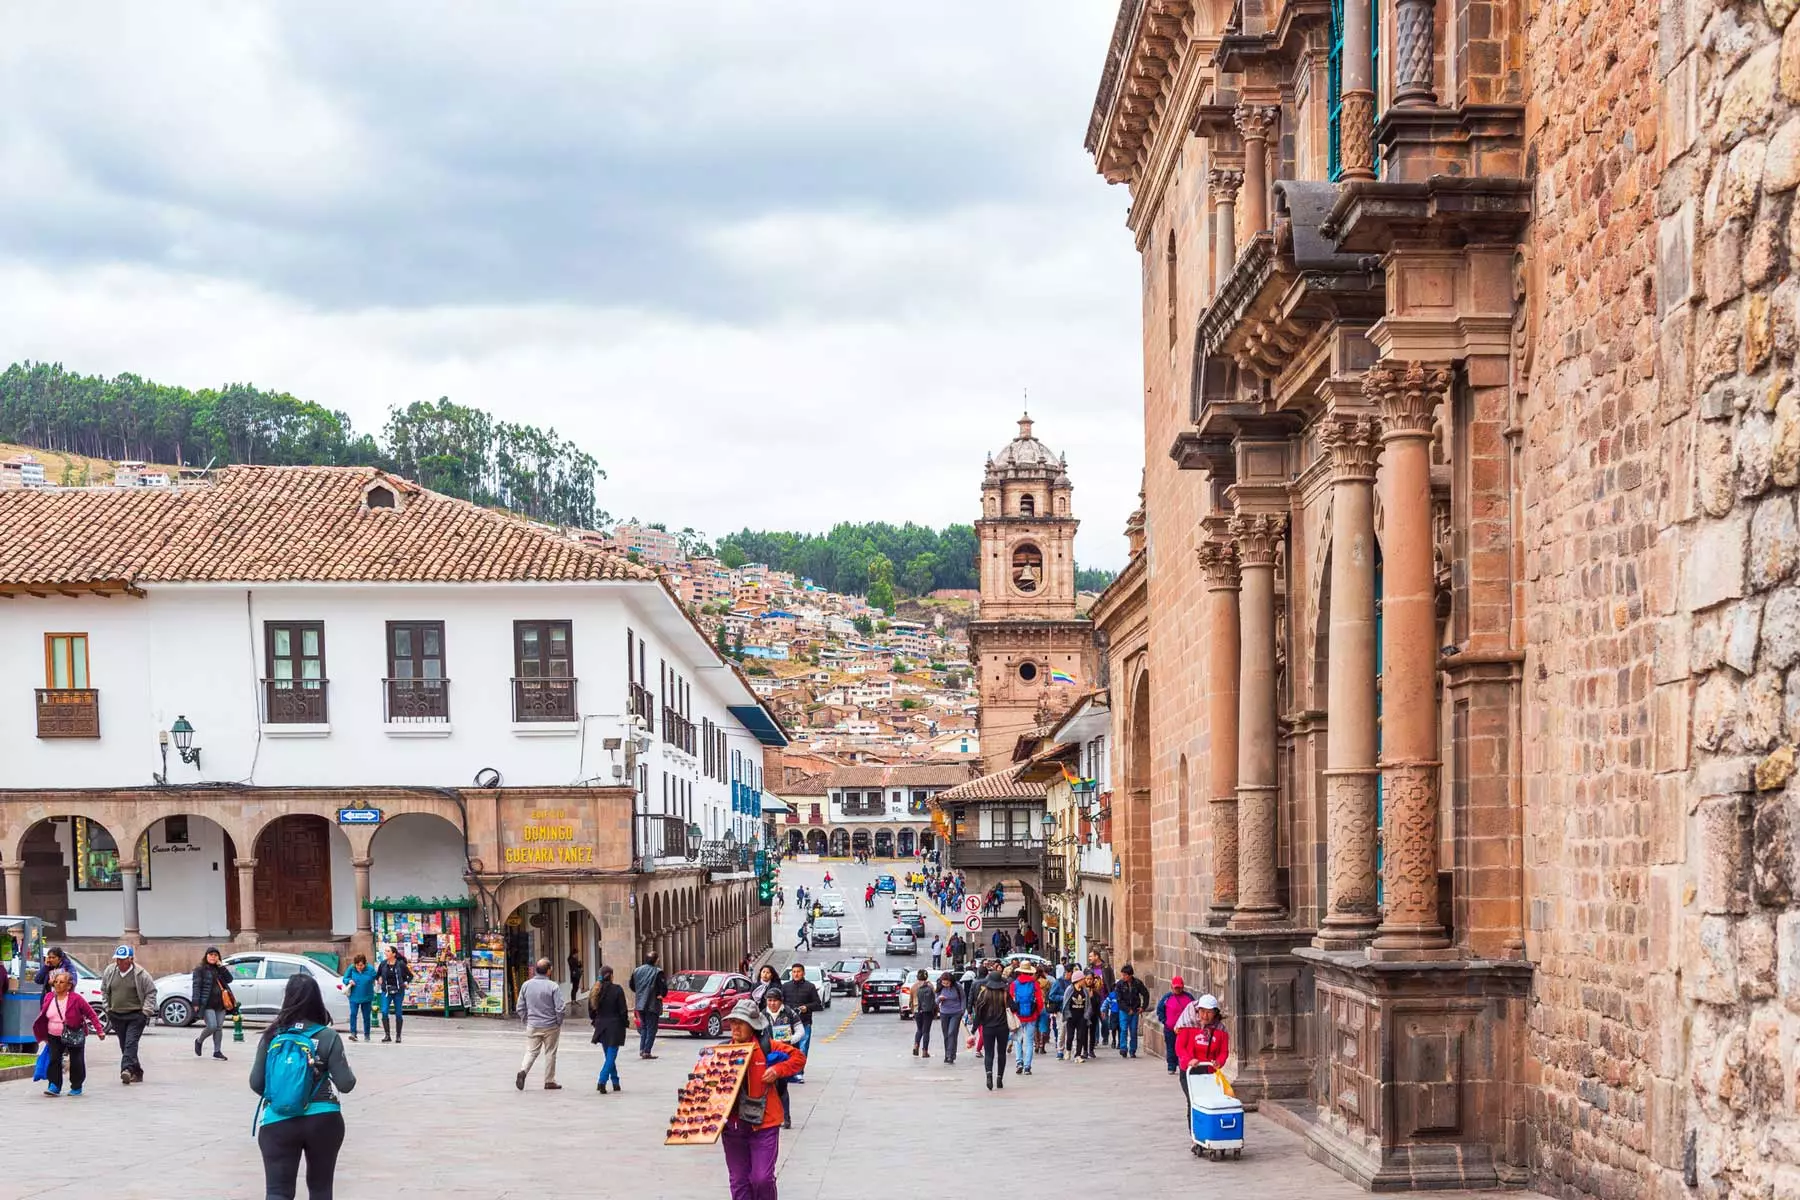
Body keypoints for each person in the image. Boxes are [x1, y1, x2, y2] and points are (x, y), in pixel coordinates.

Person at [251, 973, 357, 1200]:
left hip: (278, 1122)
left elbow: (256, 1082)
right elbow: (346, 1084)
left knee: (278, 1192)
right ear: (316, 1000)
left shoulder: (272, 1035)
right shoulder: (328, 1036)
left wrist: (285, 1095)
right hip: (323, 1120)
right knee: (320, 1189)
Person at [717, 998, 805, 1198]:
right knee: (738, 1180)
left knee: (761, 1178)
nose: (735, 1027)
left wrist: (777, 1069)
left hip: (764, 1124)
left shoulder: (768, 1047)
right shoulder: (721, 1052)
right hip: (733, 1127)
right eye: (733, 1022)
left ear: (753, 1027)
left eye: (741, 1022)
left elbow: (799, 1058)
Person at [34, 968, 104, 1096]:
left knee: (76, 1061)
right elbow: (44, 1015)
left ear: (69, 985)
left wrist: (99, 1031)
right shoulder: (49, 997)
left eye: (61, 982)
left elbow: (92, 1014)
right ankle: (54, 1086)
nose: (57, 984)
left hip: (74, 1033)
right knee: (54, 1059)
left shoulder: (76, 999)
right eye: (56, 982)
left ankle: (76, 1086)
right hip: (53, 1035)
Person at [101, 945, 157, 1085]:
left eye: (123, 960)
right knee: (124, 1045)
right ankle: (137, 1071)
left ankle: (126, 1070)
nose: (119, 963)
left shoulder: (141, 974)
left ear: (131, 959)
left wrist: (146, 1011)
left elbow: (151, 992)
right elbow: (104, 990)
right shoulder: (110, 971)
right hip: (116, 1014)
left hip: (136, 1015)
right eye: (117, 959)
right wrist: (107, 1007)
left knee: (131, 1043)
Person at [514, 958, 564, 1091]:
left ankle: (523, 1071)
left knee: (531, 1051)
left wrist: (526, 1019)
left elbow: (520, 1006)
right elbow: (560, 1008)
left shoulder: (526, 985)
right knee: (550, 1053)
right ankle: (549, 1080)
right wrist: (558, 1021)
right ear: (548, 971)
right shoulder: (553, 986)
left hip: (533, 1024)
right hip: (550, 1025)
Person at [1175, 993, 1230, 1097]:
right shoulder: (1188, 1025)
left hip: (1209, 1072)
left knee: (1207, 1100)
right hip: (1189, 1069)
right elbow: (1180, 1047)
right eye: (1202, 1011)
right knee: (1193, 1100)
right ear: (1197, 1010)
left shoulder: (1221, 1030)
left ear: (1215, 1013)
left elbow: (1224, 1051)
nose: (1205, 1016)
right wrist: (1189, 1060)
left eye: (1209, 1012)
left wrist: (1219, 1062)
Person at [761, 987, 802, 1129]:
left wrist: (790, 1040)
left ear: (781, 1001)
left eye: (775, 1000)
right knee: (770, 1088)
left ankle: (786, 1117)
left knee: (782, 1087)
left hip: (784, 1055)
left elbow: (800, 1031)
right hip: (768, 1055)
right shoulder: (762, 1015)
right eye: (769, 1000)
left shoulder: (789, 1013)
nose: (772, 1003)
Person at [588, 965, 629, 1094]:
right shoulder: (617, 990)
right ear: (611, 975)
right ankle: (602, 1080)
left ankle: (616, 1082)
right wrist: (625, 1022)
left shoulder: (595, 990)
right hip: (615, 1026)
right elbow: (623, 1010)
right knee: (611, 1056)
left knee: (609, 1056)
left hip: (601, 1026)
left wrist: (596, 1020)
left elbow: (591, 1011)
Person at [969, 970, 1012, 1091]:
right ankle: (999, 1078)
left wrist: (974, 1028)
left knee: (989, 1053)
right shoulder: (1004, 994)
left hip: (987, 1028)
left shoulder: (984, 994)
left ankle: (989, 1075)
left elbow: (978, 1013)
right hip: (1003, 1027)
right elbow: (1014, 1007)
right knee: (1001, 1053)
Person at [780, 962, 823, 1083]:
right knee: (788, 1048)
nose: (796, 974)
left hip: (805, 1022)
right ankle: (789, 1072)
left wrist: (806, 1007)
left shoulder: (810, 987)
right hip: (788, 1024)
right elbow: (781, 1004)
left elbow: (818, 1004)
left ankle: (799, 1073)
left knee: (803, 1049)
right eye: (794, 972)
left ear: (803, 973)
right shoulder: (786, 987)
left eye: (798, 972)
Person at [192, 946, 236, 1059]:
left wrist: (221, 967)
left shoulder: (219, 968)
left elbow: (230, 980)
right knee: (212, 1026)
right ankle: (199, 1041)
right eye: (210, 955)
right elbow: (196, 986)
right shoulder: (200, 969)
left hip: (221, 1003)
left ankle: (217, 1051)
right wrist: (195, 1002)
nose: (213, 957)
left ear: (218, 957)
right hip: (207, 1003)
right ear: (206, 956)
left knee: (219, 1028)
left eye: (215, 955)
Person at [629, 951, 668, 1060]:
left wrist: (640, 992)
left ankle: (642, 1049)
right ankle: (646, 1051)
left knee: (644, 1027)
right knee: (651, 1028)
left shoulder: (637, 971)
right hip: (652, 1003)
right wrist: (661, 994)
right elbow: (663, 987)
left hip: (640, 1003)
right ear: (656, 960)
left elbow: (632, 985)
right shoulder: (658, 972)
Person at [1155, 974, 1195, 1075]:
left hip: (1185, 1029)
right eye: (1176, 988)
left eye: (1179, 988)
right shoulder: (1167, 997)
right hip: (1170, 1028)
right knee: (1171, 1047)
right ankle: (1171, 1066)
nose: (1177, 990)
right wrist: (1165, 1021)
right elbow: (1160, 1010)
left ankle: (1183, 1065)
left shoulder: (1188, 997)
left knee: (1185, 1047)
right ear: (1172, 987)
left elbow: (1194, 1009)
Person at [1008, 964, 1044, 1076]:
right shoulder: (1035, 984)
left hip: (1018, 1016)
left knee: (1018, 1040)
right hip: (1031, 1016)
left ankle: (1019, 1062)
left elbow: (1010, 1000)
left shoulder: (1014, 984)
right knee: (1029, 1042)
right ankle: (1027, 1066)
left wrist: (1014, 1014)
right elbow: (1040, 1002)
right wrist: (1036, 1012)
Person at [1113, 964, 1151, 1059]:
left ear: (1130, 975)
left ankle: (1133, 1050)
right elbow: (1119, 999)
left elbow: (1145, 994)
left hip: (1135, 1010)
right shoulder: (1120, 985)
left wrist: (1143, 1007)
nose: (1123, 977)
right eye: (1123, 975)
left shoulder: (1137, 983)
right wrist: (1126, 1009)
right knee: (1124, 1029)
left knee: (1133, 1031)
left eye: (1125, 975)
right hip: (1124, 1010)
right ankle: (1123, 1048)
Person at [376, 945, 412, 1043]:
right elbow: (378, 974)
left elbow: (410, 975)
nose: (386, 953)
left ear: (394, 954)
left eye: (388, 951)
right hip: (386, 991)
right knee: (384, 1011)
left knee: (398, 1013)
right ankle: (387, 1035)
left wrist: (406, 982)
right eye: (385, 951)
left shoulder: (400, 964)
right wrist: (379, 978)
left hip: (398, 991)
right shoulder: (383, 964)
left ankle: (398, 1035)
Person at [339, 954, 377, 1044]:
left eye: (361, 965)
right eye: (357, 965)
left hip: (367, 996)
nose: (359, 967)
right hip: (354, 996)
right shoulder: (351, 968)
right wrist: (349, 981)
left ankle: (367, 1034)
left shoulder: (370, 969)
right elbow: (345, 978)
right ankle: (353, 1033)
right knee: (353, 1014)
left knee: (366, 1016)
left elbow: (376, 977)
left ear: (365, 964)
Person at [1062, 968, 1093, 1062]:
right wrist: (1067, 1015)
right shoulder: (1069, 990)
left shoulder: (1085, 991)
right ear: (1078, 980)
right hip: (1072, 1016)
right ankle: (1068, 1050)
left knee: (1081, 1036)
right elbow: (1065, 1003)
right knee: (1070, 1035)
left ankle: (1077, 1055)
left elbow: (1088, 1005)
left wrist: (1086, 1016)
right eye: (1083, 979)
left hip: (1081, 1017)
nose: (1085, 981)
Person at [934, 971, 964, 1064]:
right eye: (944, 983)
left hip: (956, 1012)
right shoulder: (940, 987)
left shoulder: (957, 986)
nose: (945, 985)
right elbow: (935, 1001)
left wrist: (962, 1010)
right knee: (946, 1034)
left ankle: (951, 1055)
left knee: (952, 1033)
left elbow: (963, 998)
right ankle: (947, 1054)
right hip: (944, 1013)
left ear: (951, 981)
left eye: (947, 983)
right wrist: (940, 998)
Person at [911, 968, 938, 1058]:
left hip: (917, 1010)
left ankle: (916, 1045)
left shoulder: (914, 986)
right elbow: (933, 999)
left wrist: (912, 1010)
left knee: (919, 1029)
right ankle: (925, 1051)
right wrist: (935, 1011)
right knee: (926, 1031)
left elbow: (911, 1000)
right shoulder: (929, 986)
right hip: (927, 1011)